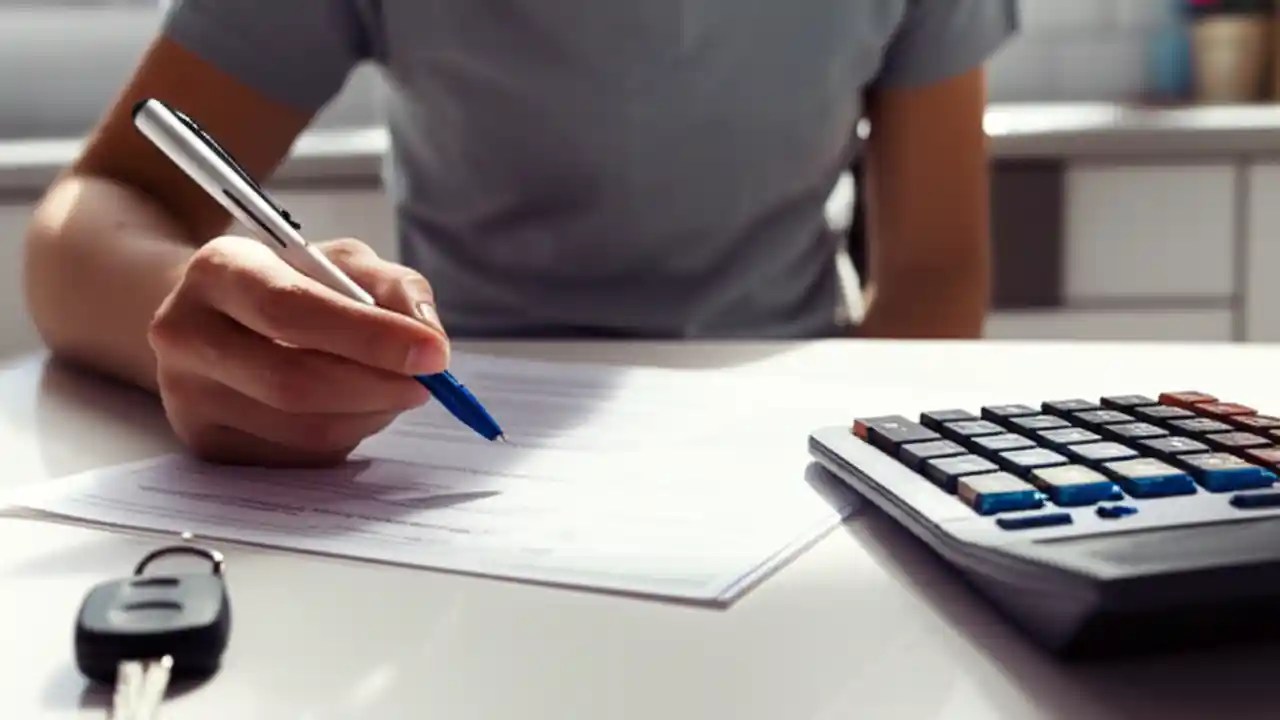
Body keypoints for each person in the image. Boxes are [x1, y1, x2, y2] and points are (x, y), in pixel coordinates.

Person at [22, 1, 1017, 467]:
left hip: (784, 449)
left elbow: (934, 272)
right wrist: (203, 315)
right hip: (437, 447)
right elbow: (97, 211)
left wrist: (857, 462)